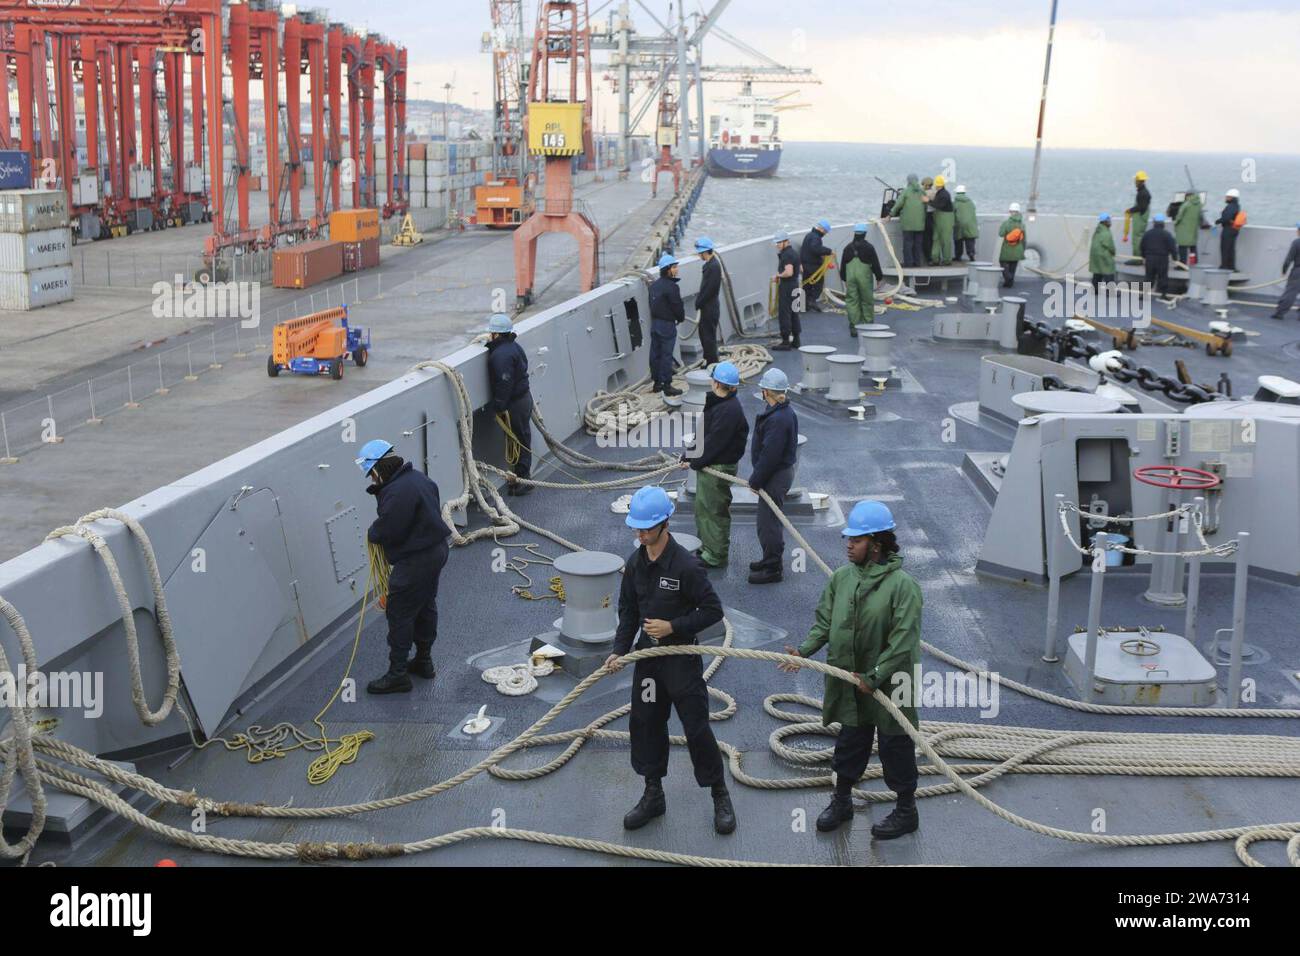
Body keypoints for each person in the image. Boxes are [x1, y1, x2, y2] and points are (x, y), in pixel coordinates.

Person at [778, 500, 923, 839]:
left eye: (855, 540)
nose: (848, 545)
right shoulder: (841, 579)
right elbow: (825, 622)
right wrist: (803, 651)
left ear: (876, 543)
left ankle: (906, 811)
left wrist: (874, 677)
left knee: (895, 744)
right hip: (852, 679)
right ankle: (841, 800)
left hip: (892, 683)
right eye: (849, 539)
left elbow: (902, 642)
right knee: (851, 740)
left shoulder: (904, 587)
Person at [604, 486, 736, 835]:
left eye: (646, 528)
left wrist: (673, 626)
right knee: (645, 723)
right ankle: (653, 793)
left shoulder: (687, 567)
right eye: (637, 528)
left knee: (696, 727)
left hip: (680, 659)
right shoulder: (634, 564)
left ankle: (719, 793)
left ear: (664, 524)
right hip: (648, 662)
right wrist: (620, 650)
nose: (640, 534)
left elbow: (712, 611)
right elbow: (628, 611)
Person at [357, 439, 451, 695]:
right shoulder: (418, 479)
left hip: (415, 561)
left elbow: (390, 527)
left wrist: (373, 532)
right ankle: (424, 661)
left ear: (377, 469)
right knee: (425, 606)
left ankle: (397, 674)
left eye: (371, 474)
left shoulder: (396, 492)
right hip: (436, 551)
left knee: (399, 613)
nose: (372, 480)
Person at [683, 362, 749, 567]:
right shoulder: (718, 403)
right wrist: (689, 455)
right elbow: (704, 432)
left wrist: (695, 462)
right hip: (711, 465)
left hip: (717, 468)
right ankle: (706, 549)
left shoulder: (729, 410)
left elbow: (714, 443)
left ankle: (715, 556)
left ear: (718, 383)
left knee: (713, 512)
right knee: (704, 509)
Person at [747, 367, 798, 585]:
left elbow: (770, 455)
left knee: (768, 523)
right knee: (768, 521)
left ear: (767, 392)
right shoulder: (784, 412)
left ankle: (773, 568)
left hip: (774, 477)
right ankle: (769, 559)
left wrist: (755, 480)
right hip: (777, 474)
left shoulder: (777, 419)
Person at [484, 313, 534, 497]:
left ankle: (523, 480)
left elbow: (504, 382)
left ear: (495, 334)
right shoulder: (514, 347)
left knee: (519, 440)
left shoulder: (500, 355)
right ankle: (522, 477)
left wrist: (499, 405)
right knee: (522, 437)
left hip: (515, 404)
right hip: (524, 398)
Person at [649, 253, 684, 396]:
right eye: (674, 267)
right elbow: (677, 306)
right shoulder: (672, 287)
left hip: (655, 324)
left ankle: (657, 383)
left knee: (655, 354)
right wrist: (680, 318)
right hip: (667, 326)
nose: (677, 270)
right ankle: (667, 385)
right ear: (667, 269)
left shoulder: (654, 286)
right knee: (666, 355)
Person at [840, 223, 883, 336]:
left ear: (855, 233)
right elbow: (875, 264)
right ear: (865, 234)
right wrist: (879, 277)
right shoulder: (869, 247)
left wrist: (844, 279)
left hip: (850, 278)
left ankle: (854, 327)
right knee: (866, 300)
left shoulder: (847, 248)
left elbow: (843, 265)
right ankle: (868, 325)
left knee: (852, 301)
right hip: (864, 277)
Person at [885, 174, 926, 268]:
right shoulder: (922, 192)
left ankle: (909, 264)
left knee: (908, 244)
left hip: (908, 224)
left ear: (908, 181)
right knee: (918, 245)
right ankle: (918, 263)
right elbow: (926, 203)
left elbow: (898, 204)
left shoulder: (906, 192)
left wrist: (890, 215)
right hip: (920, 224)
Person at [694, 237, 723, 365]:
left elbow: (709, 290)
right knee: (704, 334)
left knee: (708, 337)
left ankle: (712, 363)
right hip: (709, 307)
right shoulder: (711, 265)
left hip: (709, 308)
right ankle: (709, 360)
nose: (699, 255)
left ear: (705, 252)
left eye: (700, 252)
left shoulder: (713, 267)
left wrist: (698, 302)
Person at [772, 231, 802, 351]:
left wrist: (778, 276)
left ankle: (785, 341)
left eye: (779, 242)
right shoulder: (794, 253)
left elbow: (788, 272)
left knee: (784, 313)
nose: (777, 245)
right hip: (795, 285)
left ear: (786, 242)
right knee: (794, 312)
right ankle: (796, 340)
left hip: (787, 286)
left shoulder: (786, 255)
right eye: (777, 243)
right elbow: (800, 269)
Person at [800, 218, 834, 312]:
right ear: (822, 230)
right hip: (813, 266)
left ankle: (804, 306)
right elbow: (815, 248)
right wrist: (828, 251)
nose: (825, 234)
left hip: (805, 265)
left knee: (806, 286)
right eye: (826, 232)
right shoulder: (816, 238)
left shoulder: (809, 235)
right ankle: (811, 301)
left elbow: (805, 250)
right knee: (818, 284)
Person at [1140, 213, 1178, 296]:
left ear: (1154, 223)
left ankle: (1143, 295)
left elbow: (1142, 246)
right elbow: (1172, 247)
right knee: (1163, 277)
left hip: (1149, 258)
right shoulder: (1167, 234)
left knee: (1149, 276)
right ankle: (1163, 295)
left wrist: (1143, 257)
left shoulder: (1147, 234)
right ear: (1163, 223)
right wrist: (1175, 259)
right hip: (1162, 259)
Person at [1269, 223, 1300, 320]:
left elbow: (1289, 259)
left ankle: (1280, 313)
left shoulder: (1296, 242)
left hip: (1298, 271)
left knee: (1290, 293)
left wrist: (1284, 270)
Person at [1172, 190, 1207, 264]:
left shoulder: (1186, 204)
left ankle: (1182, 264)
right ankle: (1193, 263)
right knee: (1192, 249)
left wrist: (1175, 223)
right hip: (1193, 231)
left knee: (1182, 248)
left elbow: (1179, 216)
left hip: (1183, 230)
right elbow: (1200, 217)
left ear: (1188, 196)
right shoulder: (1199, 205)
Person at [997, 202, 1027, 288]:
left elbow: (1001, 234)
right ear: (1018, 212)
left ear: (1010, 211)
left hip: (1007, 248)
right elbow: (1024, 239)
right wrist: (1023, 250)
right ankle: (1010, 282)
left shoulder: (1006, 223)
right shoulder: (1022, 225)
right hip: (1018, 248)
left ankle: (1008, 278)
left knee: (1003, 262)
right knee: (1013, 266)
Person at [1215, 188, 1244, 273]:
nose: (1226, 198)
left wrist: (1218, 221)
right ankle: (1231, 266)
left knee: (1225, 247)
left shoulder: (1230, 207)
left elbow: (1227, 218)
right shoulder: (1236, 206)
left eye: (1227, 197)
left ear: (1232, 197)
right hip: (1234, 229)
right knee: (1231, 248)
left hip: (1228, 229)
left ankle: (1224, 266)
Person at [929, 174, 955, 266]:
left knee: (942, 239)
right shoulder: (944, 193)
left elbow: (939, 205)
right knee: (939, 238)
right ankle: (940, 259)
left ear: (938, 185)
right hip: (943, 218)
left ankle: (943, 259)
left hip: (944, 218)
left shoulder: (943, 194)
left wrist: (927, 201)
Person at [1125, 170, 1151, 261]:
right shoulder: (1143, 192)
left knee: (1137, 239)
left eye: (1136, 180)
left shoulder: (1143, 193)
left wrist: (1130, 210)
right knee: (1138, 238)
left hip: (1140, 219)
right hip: (1140, 218)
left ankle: (1137, 259)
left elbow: (1141, 207)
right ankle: (1137, 257)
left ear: (1140, 181)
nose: (1135, 182)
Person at [1089, 213, 1117, 292]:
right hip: (1103, 255)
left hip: (1095, 255)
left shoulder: (1097, 231)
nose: (1110, 222)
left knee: (1097, 272)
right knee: (1109, 272)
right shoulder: (1106, 233)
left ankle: (1095, 290)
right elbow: (1110, 246)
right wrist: (1113, 253)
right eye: (1109, 220)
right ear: (1105, 222)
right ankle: (1111, 291)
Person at [952, 185, 978, 262]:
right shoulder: (970, 202)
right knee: (970, 239)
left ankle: (958, 256)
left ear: (956, 193)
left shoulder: (955, 203)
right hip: (970, 224)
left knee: (958, 240)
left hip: (959, 224)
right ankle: (971, 254)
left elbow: (952, 213)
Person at [920, 176, 936, 265]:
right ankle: (933, 257)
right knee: (932, 238)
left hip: (926, 216)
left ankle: (928, 258)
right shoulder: (935, 192)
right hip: (934, 217)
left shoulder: (924, 193)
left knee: (925, 238)